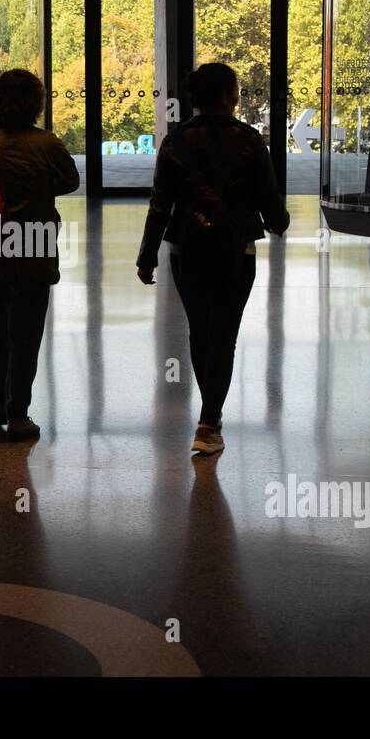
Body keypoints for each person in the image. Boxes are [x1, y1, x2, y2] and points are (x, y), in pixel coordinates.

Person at [136, 62, 289, 456]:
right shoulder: (250, 141)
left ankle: (209, 417)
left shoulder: (174, 142)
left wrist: (147, 255)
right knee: (225, 335)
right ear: (226, 94)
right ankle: (209, 421)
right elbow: (271, 205)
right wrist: (278, 221)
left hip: (186, 248)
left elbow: (159, 205)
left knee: (200, 332)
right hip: (237, 248)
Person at [0, 69, 79, 441]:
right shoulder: (47, 143)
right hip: (33, 244)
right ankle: (20, 411)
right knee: (27, 329)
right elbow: (71, 181)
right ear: (37, 102)